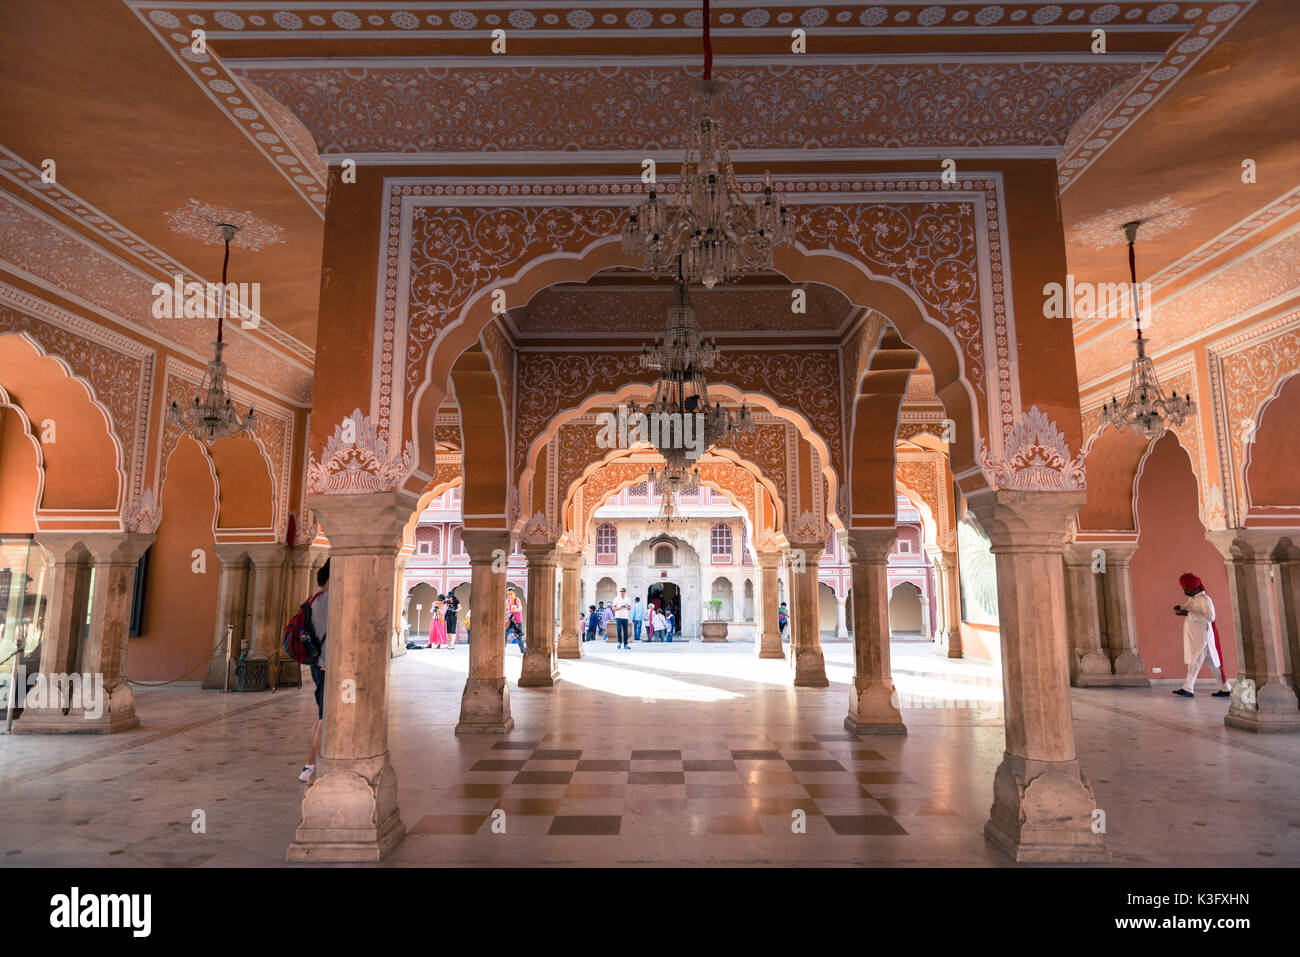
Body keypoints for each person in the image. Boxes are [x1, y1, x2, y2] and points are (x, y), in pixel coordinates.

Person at [1173, 572, 1232, 698]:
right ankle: (1226, 688)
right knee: (1213, 665)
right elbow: (1187, 609)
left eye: (1186, 588)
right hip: (1196, 638)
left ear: (1195, 588)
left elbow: (1210, 617)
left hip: (1202, 639)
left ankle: (1188, 688)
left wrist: (1188, 614)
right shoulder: (1193, 599)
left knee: (1194, 663)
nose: (1184, 591)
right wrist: (1180, 609)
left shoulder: (1205, 599)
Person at [299, 559, 330, 783]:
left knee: (322, 715)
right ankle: (313, 767)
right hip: (326, 665)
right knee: (325, 717)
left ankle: (310, 764)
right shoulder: (328, 600)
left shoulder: (313, 599)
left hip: (317, 664)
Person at [506, 587, 525, 654]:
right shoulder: (507, 601)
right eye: (508, 594)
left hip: (517, 621)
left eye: (511, 594)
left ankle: (523, 651)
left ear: (514, 593)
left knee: (518, 636)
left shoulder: (517, 600)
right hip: (510, 620)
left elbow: (520, 607)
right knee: (505, 632)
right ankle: (502, 649)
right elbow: (505, 608)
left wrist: (515, 610)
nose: (510, 595)